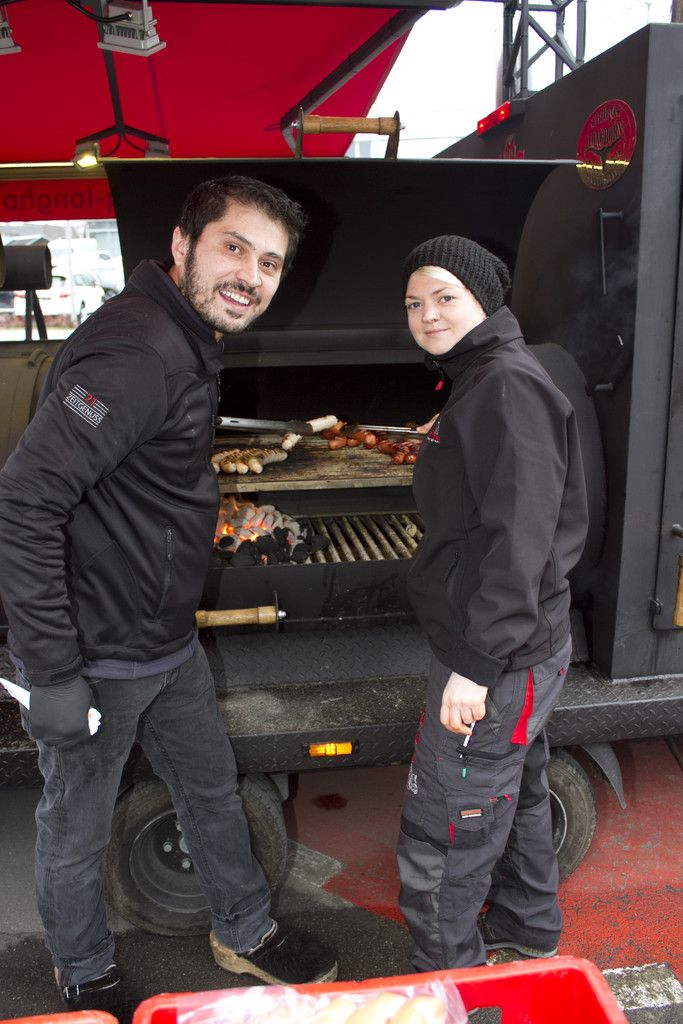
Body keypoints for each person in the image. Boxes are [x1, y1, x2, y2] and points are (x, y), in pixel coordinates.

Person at [0, 175, 337, 1012]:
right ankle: (82, 976)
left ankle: (243, 929)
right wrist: (48, 671)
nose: (252, 277)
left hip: (165, 640)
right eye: (235, 248)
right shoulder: (140, 349)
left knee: (210, 788)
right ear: (183, 245)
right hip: (98, 651)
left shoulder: (184, 336)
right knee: (75, 829)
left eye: (269, 263)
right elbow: (23, 503)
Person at [396, 235, 589, 971]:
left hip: (496, 653)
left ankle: (449, 980)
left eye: (444, 296)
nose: (426, 313)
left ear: (483, 298)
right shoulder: (481, 377)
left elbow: (521, 542)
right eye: (415, 302)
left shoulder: (503, 384)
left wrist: (473, 667)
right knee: (517, 792)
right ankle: (528, 925)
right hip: (519, 644)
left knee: (448, 821)